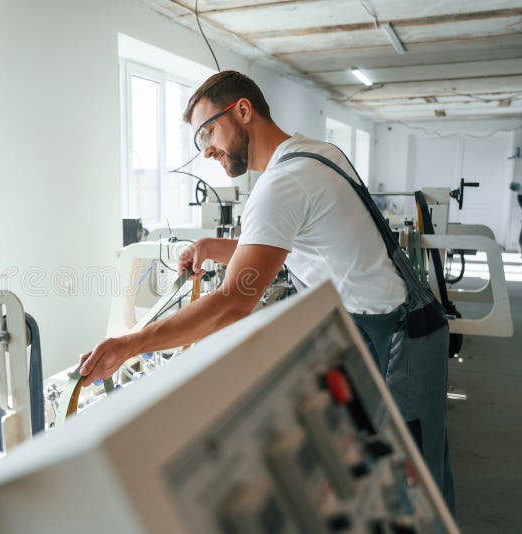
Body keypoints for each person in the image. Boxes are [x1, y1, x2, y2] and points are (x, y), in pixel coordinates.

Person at [78, 70, 454, 510]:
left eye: (209, 132)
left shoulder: (281, 183)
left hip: (397, 339)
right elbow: (285, 241)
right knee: (383, 460)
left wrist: (131, 344)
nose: (208, 150)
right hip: (381, 325)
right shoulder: (312, 153)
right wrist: (211, 248)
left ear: (242, 110)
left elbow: (234, 303)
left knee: (410, 479)